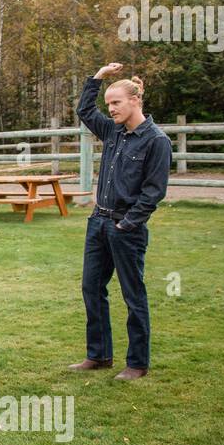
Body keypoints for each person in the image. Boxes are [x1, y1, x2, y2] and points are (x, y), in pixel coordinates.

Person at [71, 63, 172, 380]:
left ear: (135, 100)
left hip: (125, 229)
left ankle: (137, 363)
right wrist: (97, 78)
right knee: (91, 288)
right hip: (97, 222)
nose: (110, 109)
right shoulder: (112, 131)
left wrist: (127, 223)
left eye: (116, 102)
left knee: (133, 294)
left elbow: (153, 192)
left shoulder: (156, 141)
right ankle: (98, 355)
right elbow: (85, 110)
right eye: (109, 103)